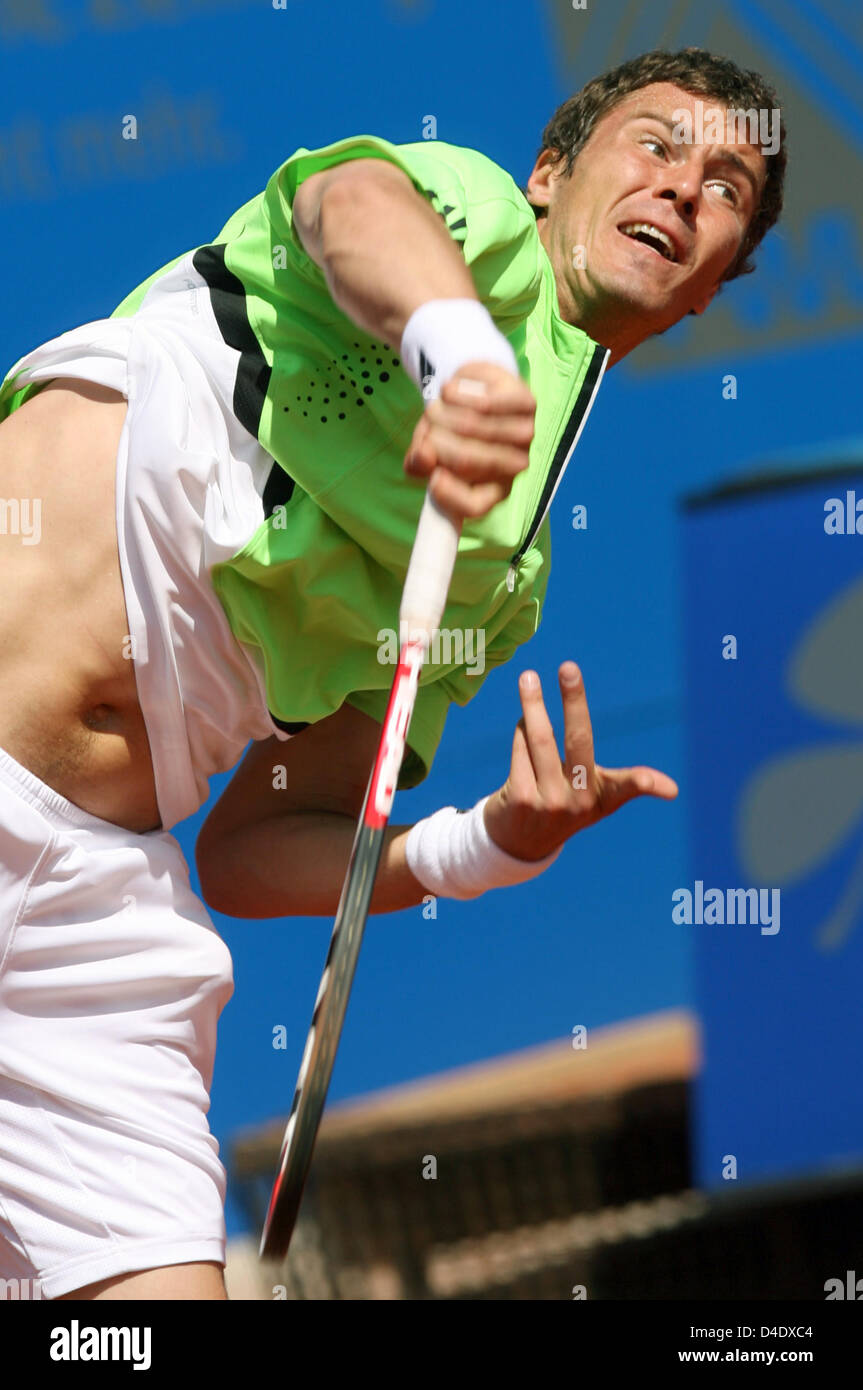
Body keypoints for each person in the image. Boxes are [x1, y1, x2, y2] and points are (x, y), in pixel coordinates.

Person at [0, 48, 786, 1300]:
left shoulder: (503, 573)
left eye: (727, 183)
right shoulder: (462, 216)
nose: (685, 186)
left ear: (713, 289)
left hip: (92, 908)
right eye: (653, 143)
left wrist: (481, 845)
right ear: (549, 174)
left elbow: (253, 841)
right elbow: (347, 208)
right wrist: (452, 344)